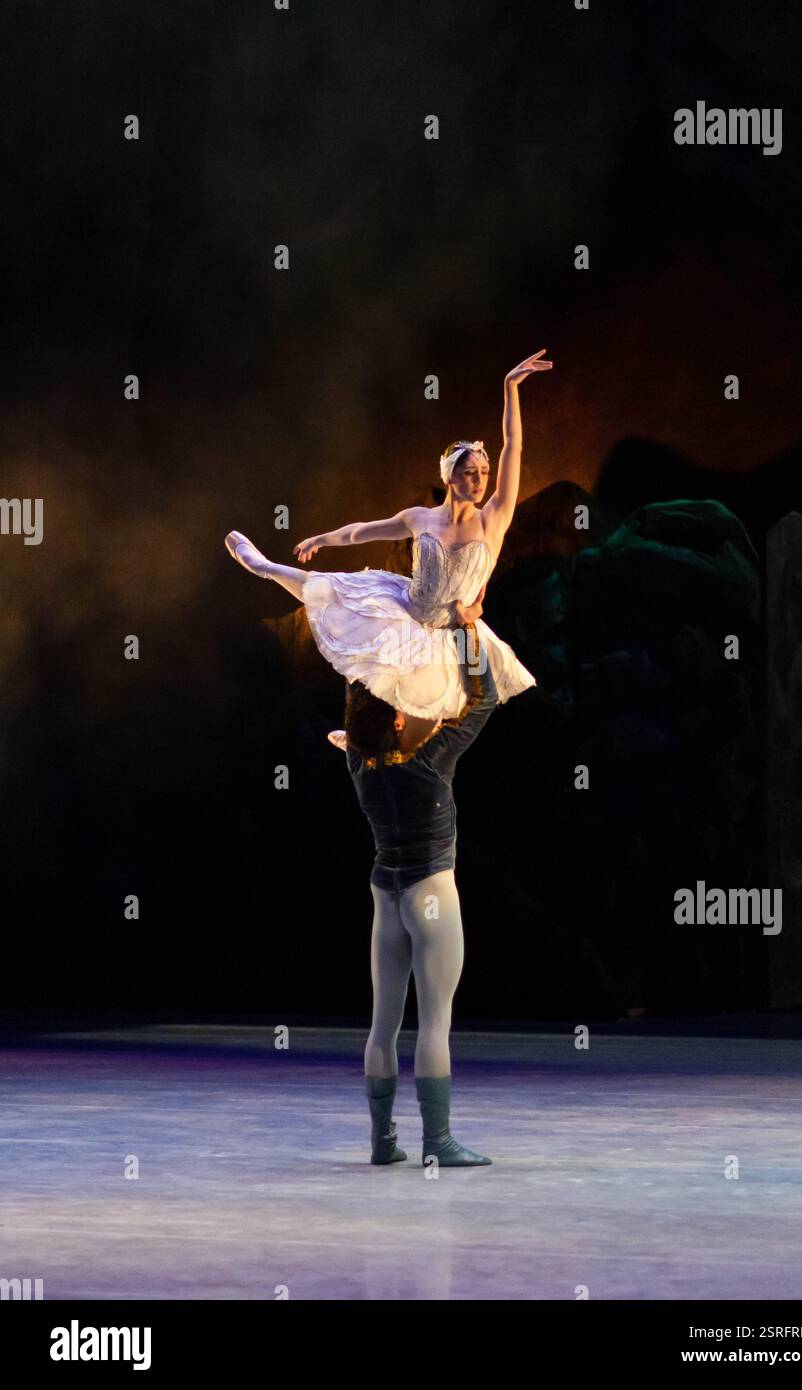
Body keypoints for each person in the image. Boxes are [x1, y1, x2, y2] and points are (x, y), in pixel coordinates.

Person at [224, 348, 552, 720]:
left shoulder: (494, 517)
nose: (479, 480)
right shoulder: (420, 518)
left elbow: (514, 445)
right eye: (469, 472)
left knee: (431, 711)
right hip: (405, 610)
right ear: (449, 476)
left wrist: (510, 387)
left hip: (450, 630)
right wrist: (320, 539)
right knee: (330, 590)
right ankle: (265, 566)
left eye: (483, 471)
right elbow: (361, 533)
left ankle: (366, 743)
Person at [330, 618, 500, 1167]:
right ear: (400, 716)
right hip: (431, 894)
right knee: (436, 1022)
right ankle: (438, 1141)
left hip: (387, 896)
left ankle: (382, 1142)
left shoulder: (360, 764)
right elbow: (486, 696)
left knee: (383, 1023)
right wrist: (465, 630)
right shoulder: (430, 761)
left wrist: (361, 637)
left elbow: (358, 719)